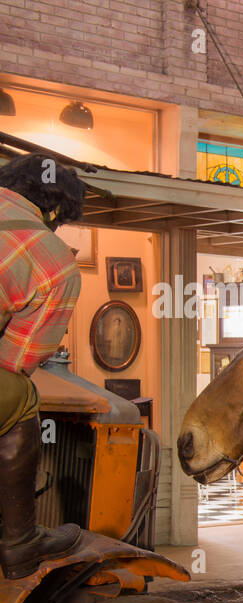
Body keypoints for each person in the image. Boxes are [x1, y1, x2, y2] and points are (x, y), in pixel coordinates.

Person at [0, 153, 85, 578]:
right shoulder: (50, 257)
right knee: (19, 396)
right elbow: (16, 361)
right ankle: (19, 542)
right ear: (52, 211)